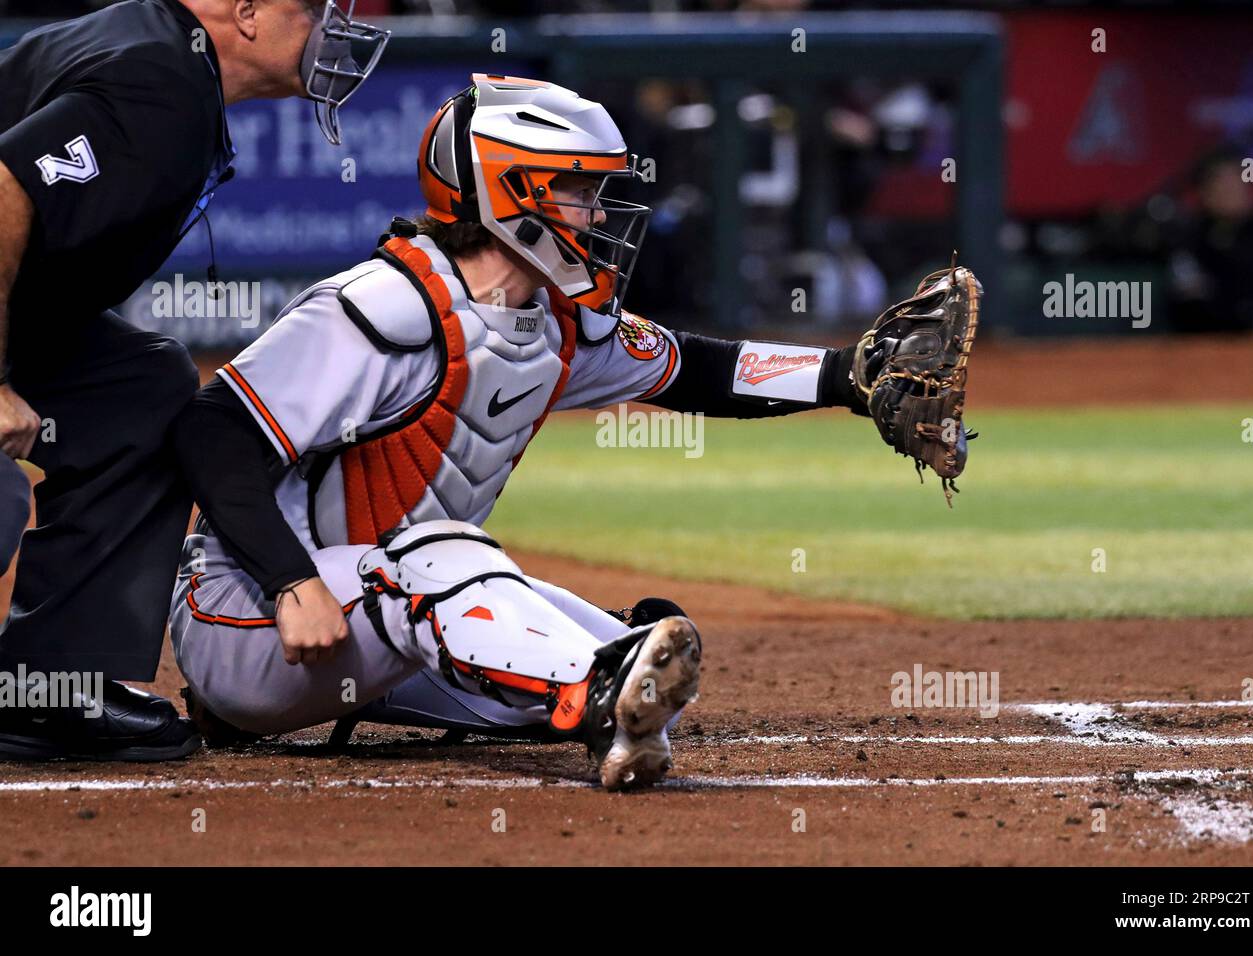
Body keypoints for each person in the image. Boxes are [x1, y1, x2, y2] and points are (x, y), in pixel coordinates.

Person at [167, 74, 975, 789]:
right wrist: (289, 584)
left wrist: (846, 379)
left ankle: (594, 696)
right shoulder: (382, 307)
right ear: (508, 192)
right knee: (454, 560)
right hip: (247, 619)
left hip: (373, 618)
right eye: (578, 191)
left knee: (615, 656)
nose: (599, 213)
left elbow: (694, 369)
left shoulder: (552, 324)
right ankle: (585, 693)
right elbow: (212, 432)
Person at [0, 0, 388, 761]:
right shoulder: (160, 81)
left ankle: (46, 686)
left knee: (141, 390)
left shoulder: (158, 50)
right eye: (311, 11)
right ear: (246, 13)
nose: (328, 29)